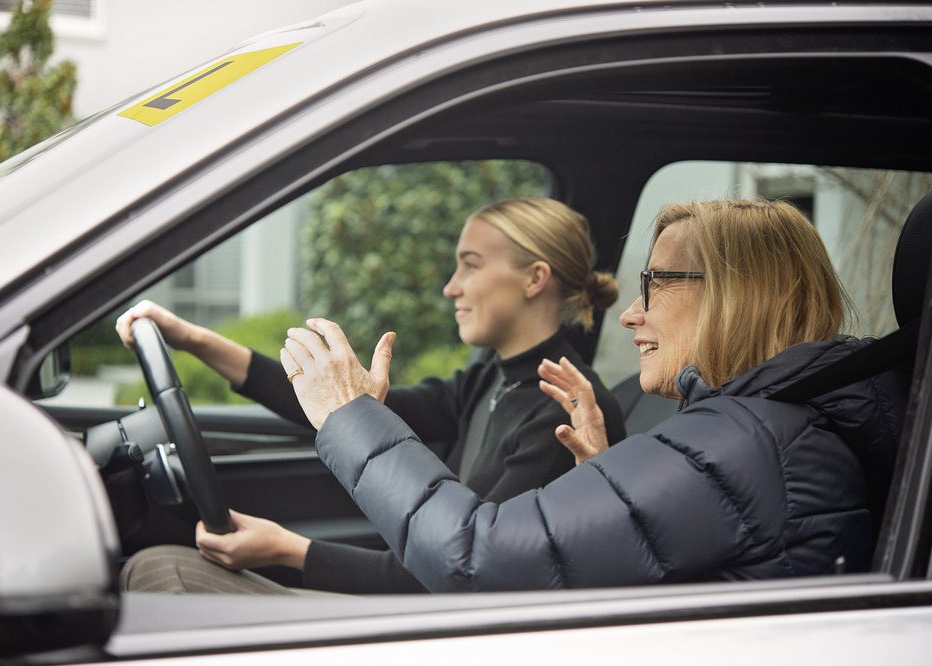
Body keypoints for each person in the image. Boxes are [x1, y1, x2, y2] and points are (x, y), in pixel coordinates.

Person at [282, 198, 910, 592]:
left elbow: (473, 556)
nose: (632, 314)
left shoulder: (743, 440)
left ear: (732, 294)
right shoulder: (775, 428)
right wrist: (606, 478)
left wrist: (347, 413)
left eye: (656, 284)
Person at [116, 197, 626, 594]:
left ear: (535, 278)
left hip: (436, 628)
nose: (452, 287)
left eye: (470, 265)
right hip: (411, 597)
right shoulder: (492, 380)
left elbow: (461, 573)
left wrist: (285, 549)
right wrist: (191, 338)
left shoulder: (566, 412)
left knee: (162, 573)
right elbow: (337, 411)